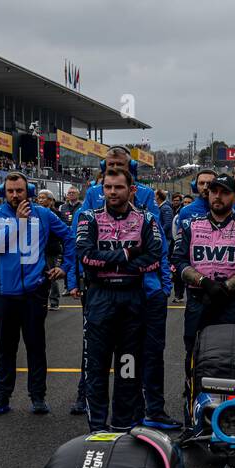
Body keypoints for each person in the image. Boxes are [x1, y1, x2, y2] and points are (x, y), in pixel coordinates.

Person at [71, 147, 173, 428]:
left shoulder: (146, 219)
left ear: (132, 190)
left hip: (132, 299)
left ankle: (123, 425)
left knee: (128, 367)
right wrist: (127, 255)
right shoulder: (88, 217)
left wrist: (112, 264)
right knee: (97, 367)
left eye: (119, 187)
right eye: (108, 187)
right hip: (100, 299)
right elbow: (86, 258)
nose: (113, 192)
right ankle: (98, 428)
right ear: (101, 188)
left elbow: (153, 257)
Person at [172, 172, 235, 423]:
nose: (218, 196)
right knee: (194, 356)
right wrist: (204, 282)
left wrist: (227, 287)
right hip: (200, 300)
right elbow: (178, 260)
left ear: (234, 196)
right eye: (214, 191)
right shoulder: (191, 225)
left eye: (224, 192)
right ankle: (193, 417)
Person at [0, 172, 73, 416]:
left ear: (29, 191)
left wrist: (65, 267)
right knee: (5, 347)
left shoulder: (44, 214)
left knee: (36, 346)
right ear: (4, 192)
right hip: (5, 292)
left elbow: (71, 237)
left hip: (34, 292)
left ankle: (38, 397)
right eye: (10, 191)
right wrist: (19, 224)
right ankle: (2, 396)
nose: (15, 195)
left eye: (19, 191)